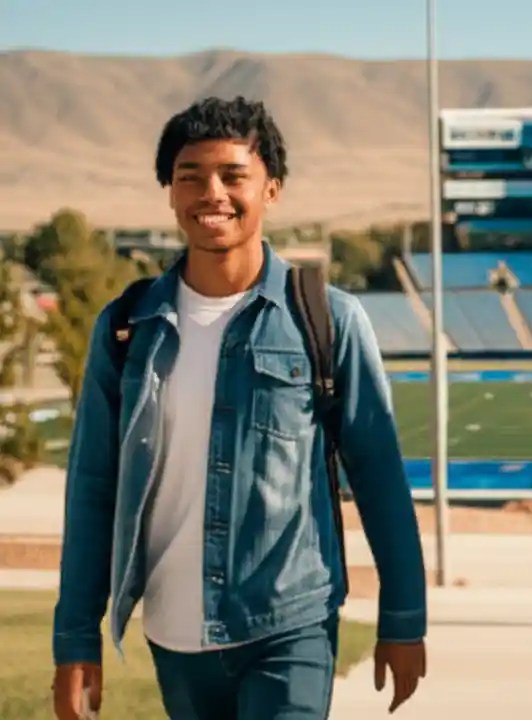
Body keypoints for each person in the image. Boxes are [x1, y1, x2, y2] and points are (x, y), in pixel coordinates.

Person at [51, 96, 428, 720]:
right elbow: (94, 487)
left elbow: (380, 477)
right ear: (170, 194)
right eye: (190, 177)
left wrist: (404, 619)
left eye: (233, 175)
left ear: (271, 189)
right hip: (172, 633)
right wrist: (75, 640)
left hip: (291, 624)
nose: (212, 194)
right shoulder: (125, 328)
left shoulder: (327, 319)